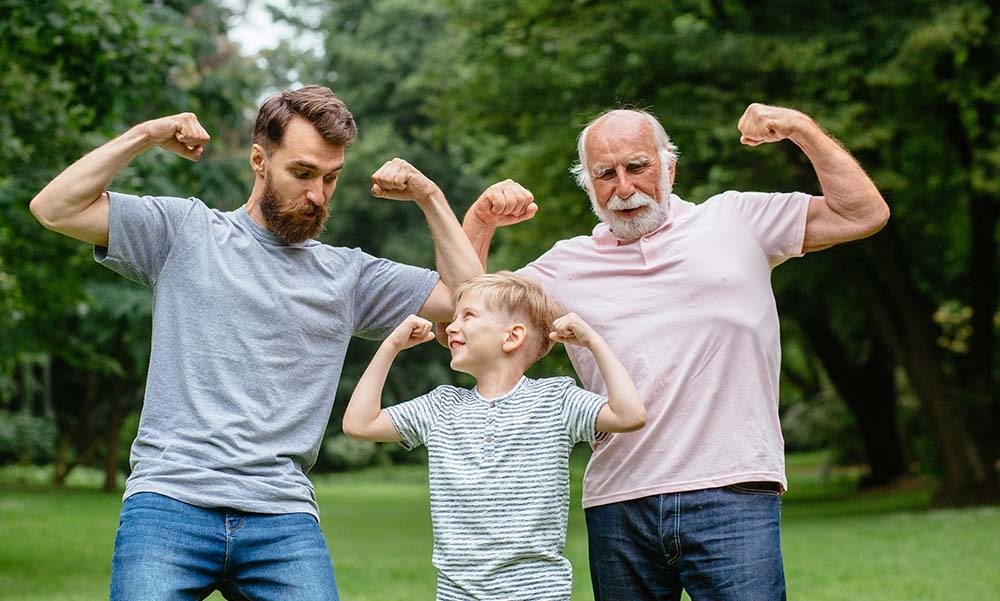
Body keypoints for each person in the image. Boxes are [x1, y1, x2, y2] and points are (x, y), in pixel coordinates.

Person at [28, 85, 483, 601]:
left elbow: (475, 299)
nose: (318, 195)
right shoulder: (184, 232)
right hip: (169, 501)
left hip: (281, 515)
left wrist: (430, 196)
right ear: (259, 161)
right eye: (303, 173)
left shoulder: (348, 275)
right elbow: (54, 207)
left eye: (331, 178)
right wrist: (147, 134)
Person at [461, 103, 890, 601]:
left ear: (669, 167)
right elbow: (466, 316)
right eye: (605, 174)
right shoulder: (564, 266)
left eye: (637, 167)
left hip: (734, 492)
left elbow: (864, 213)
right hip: (619, 504)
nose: (623, 188)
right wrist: (480, 222)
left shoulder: (738, 219)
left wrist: (801, 130)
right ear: (589, 185)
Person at [342, 271, 646, 600]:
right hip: (458, 593)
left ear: (512, 337)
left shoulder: (556, 400)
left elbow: (629, 414)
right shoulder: (441, 407)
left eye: (468, 316)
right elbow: (360, 424)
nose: (451, 326)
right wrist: (391, 345)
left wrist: (593, 341)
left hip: (537, 591)